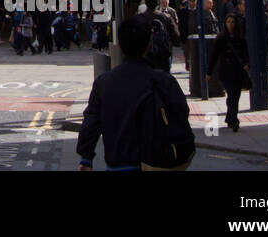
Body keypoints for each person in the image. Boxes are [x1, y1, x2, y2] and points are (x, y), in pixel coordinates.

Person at [77, 14, 194, 170]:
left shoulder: (104, 83)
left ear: (119, 45)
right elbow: (181, 114)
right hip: (156, 163)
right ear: (148, 45)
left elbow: (91, 123)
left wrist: (86, 158)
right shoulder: (164, 81)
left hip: (118, 163)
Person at [208, 13, 249, 131]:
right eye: (228, 22)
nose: (230, 24)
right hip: (226, 71)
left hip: (238, 71)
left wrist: (247, 64)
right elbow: (214, 56)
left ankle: (229, 116)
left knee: (235, 96)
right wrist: (209, 72)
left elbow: (245, 53)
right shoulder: (221, 38)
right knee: (231, 95)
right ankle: (234, 119)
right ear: (225, 24)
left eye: (233, 22)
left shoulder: (241, 38)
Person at [142, 0, 181, 73]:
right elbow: (176, 36)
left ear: (146, 3)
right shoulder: (166, 17)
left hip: (145, 56)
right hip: (163, 56)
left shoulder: (139, 19)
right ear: (157, 3)